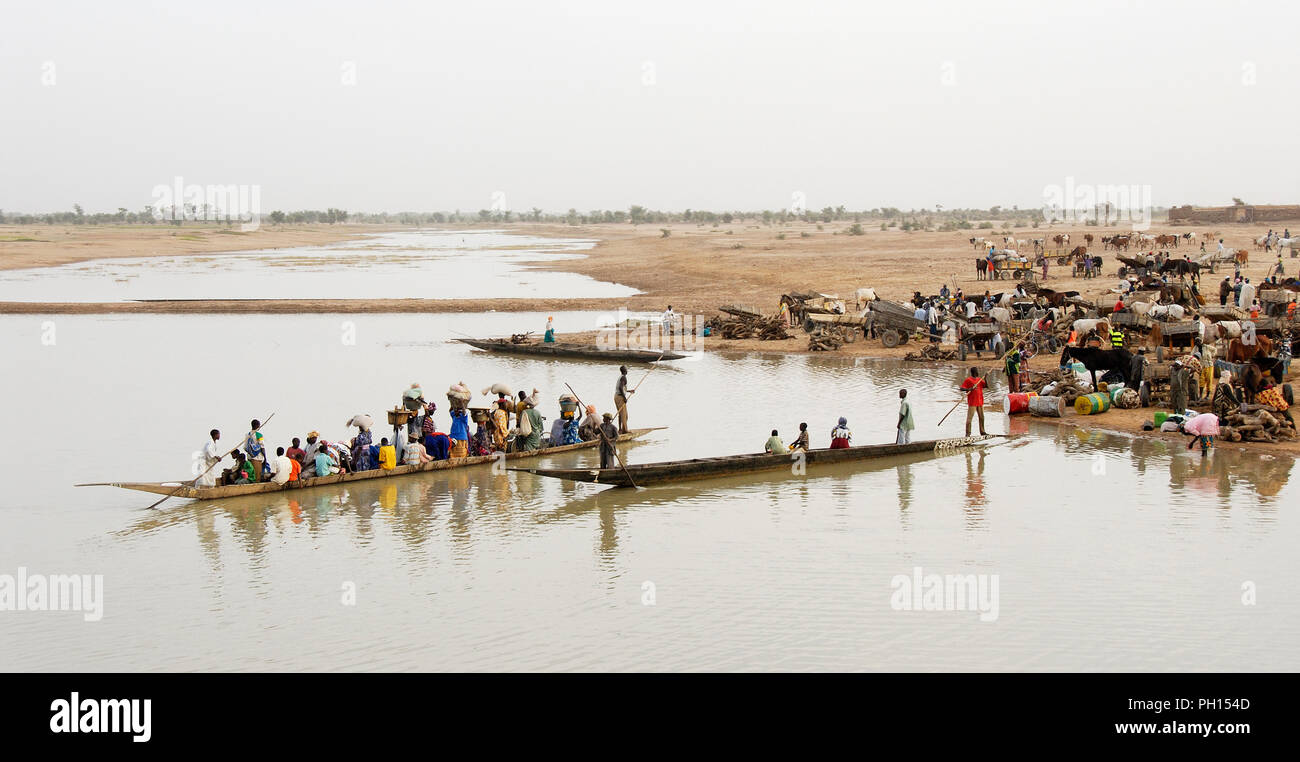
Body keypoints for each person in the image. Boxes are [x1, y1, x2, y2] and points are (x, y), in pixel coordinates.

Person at [960, 367, 988, 437]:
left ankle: (982, 431)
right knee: (969, 419)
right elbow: (961, 388)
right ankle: (968, 434)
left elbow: (986, 386)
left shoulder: (979, 380)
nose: (978, 372)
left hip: (980, 402)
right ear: (974, 372)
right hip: (972, 402)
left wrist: (985, 378)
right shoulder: (968, 380)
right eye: (977, 371)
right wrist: (969, 389)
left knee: (982, 417)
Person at [614, 365, 632, 434]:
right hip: (620, 397)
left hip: (617, 396)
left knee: (620, 414)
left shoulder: (620, 377)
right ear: (624, 371)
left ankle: (620, 429)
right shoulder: (623, 377)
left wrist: (629, 391)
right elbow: (620, 388)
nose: (627, 370)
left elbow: (622, 388)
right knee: (624, 415)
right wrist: (624, 398)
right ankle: (625, 430)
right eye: (626, 369)